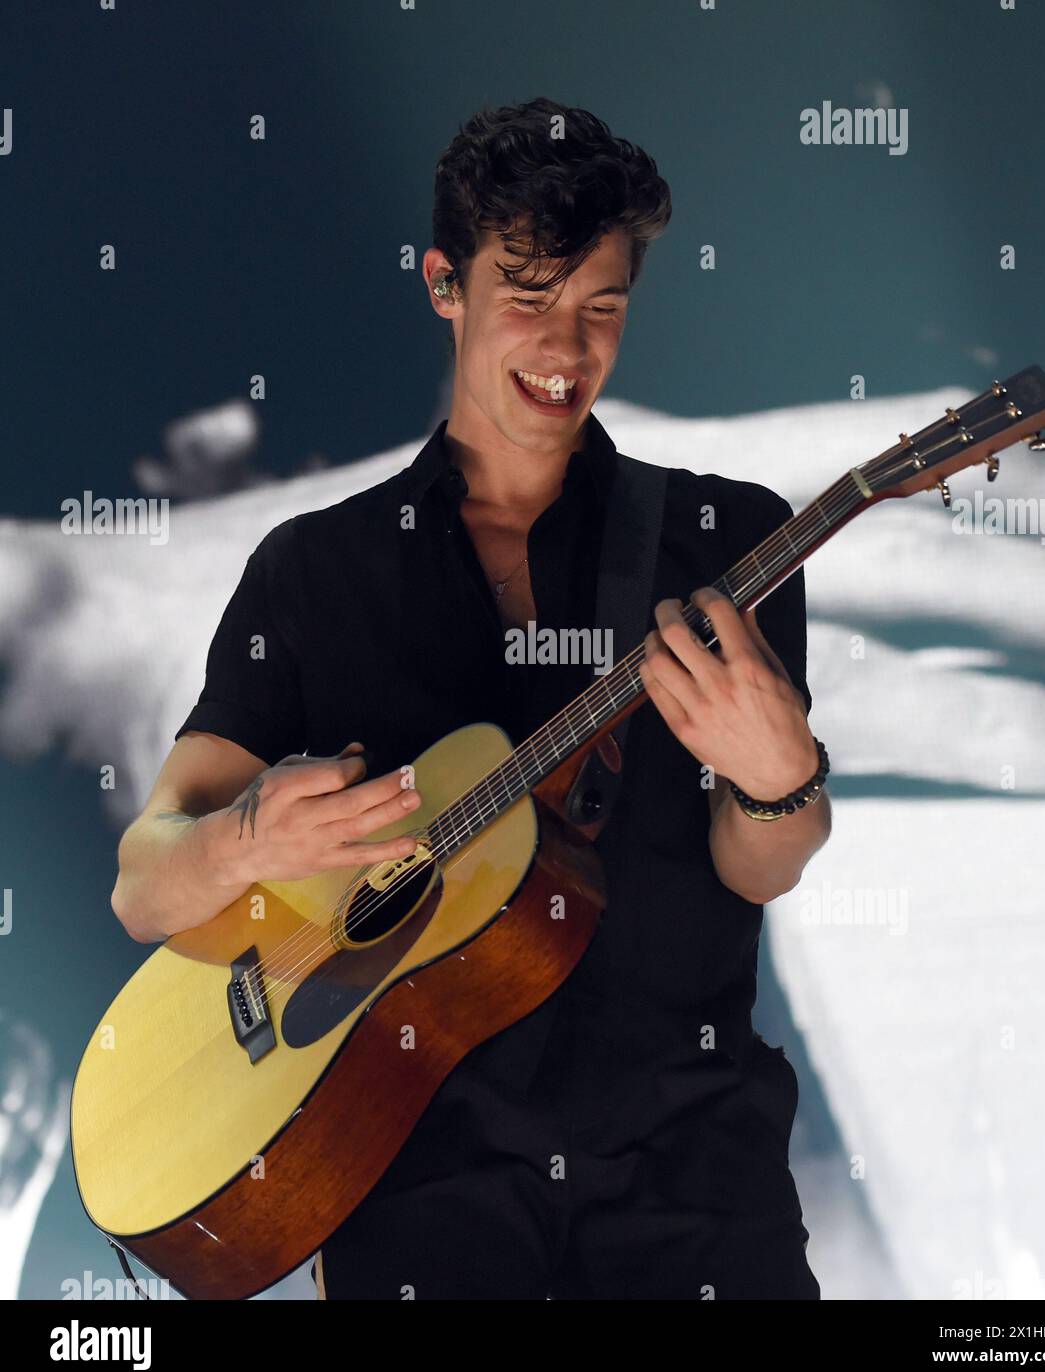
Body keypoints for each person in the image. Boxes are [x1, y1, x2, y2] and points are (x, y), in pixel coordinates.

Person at [110, 97, 831, 1300]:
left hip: (690, 1156)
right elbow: (147, 879)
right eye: (530, 296)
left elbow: (762, 863)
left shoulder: (726, 537)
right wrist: (247, 838)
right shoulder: (313, 569)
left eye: (601, 306)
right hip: (408, 1162)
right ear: (444, 283)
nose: (568, 347)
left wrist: (779, 781)